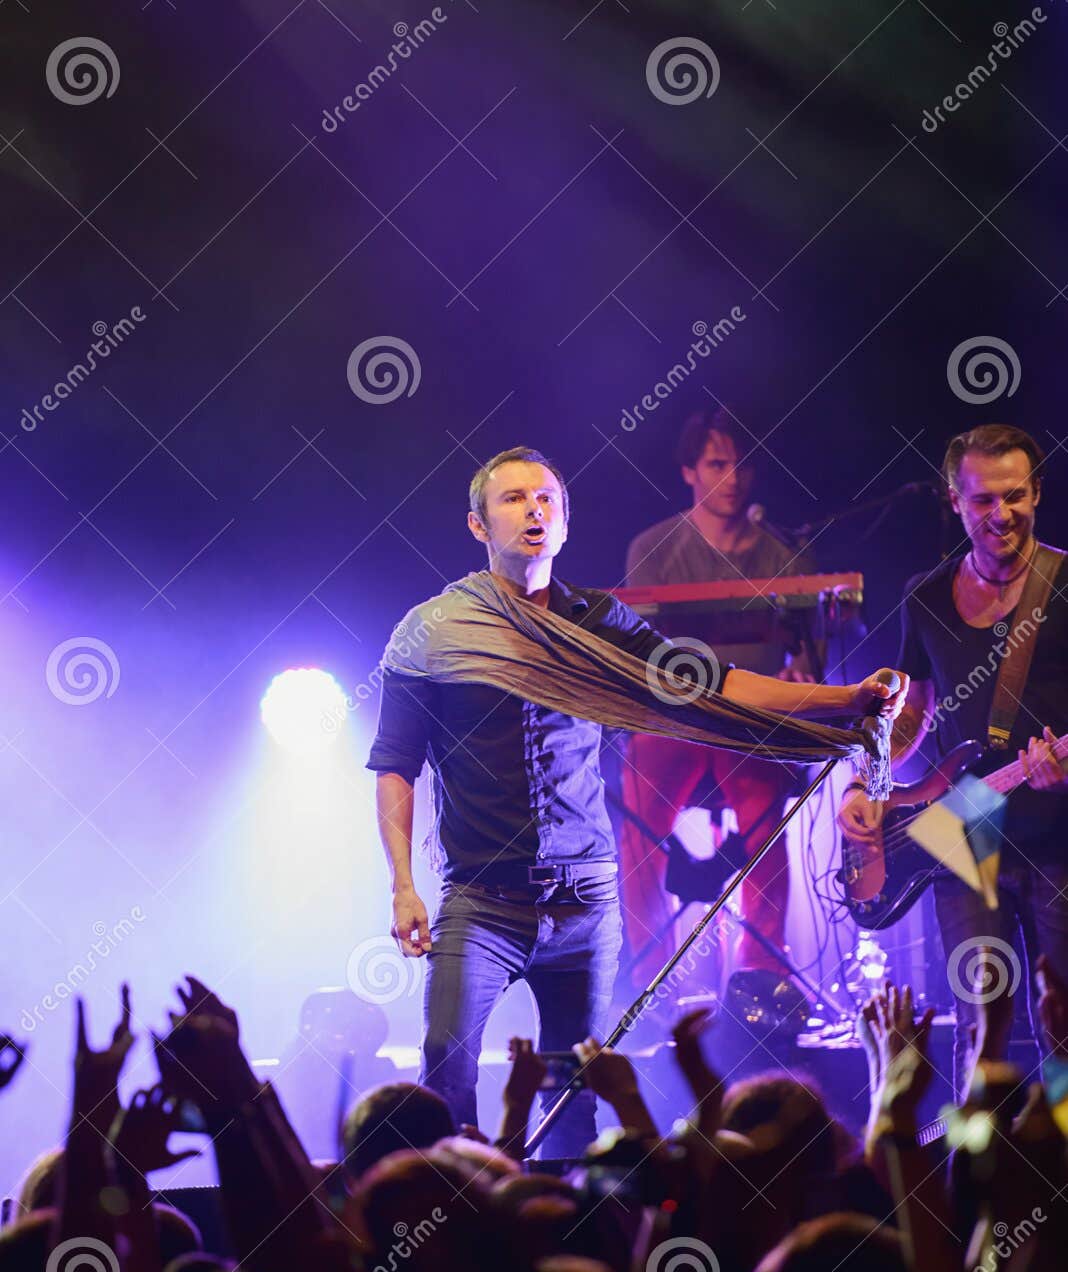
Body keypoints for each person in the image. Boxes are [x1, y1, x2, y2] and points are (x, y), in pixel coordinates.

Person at [367, 445, 905, 1154]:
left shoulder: (598, 621)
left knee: (574, 1094)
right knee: (446, 1066)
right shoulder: (434, 631)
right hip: (481, 900)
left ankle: (567, 1217)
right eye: (513, 499)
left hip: (585, 902)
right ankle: (456, 1211)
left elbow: (714, 683)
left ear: (565, 524)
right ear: (478, 525)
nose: (533, 510)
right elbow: (395, 765)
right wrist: (402, 884)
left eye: (546, 499)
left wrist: (845, 698)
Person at [838, 422, 1068, 1097]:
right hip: (961, 835)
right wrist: (867, 782)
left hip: (1059, 839)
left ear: (1037, 492)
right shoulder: (927, 594)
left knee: (1064, 1028)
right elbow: (912, 713)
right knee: (977, 1028)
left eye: (1015, 495)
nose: (1002, 514)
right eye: (984, 500)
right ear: (955, 501)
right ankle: (982, 1157)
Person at [621, 408, 816, 992]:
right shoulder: (653, 548)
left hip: (747, 721)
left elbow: (808, 656)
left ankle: (760, 979)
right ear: (689, 471)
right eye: (716, 464)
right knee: (636, 829)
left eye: (742, 465)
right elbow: (640, 651)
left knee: (765, 833)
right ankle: (650, 980)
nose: (732, 478)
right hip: (671, 719)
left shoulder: (784, 554)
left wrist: (802, 676)